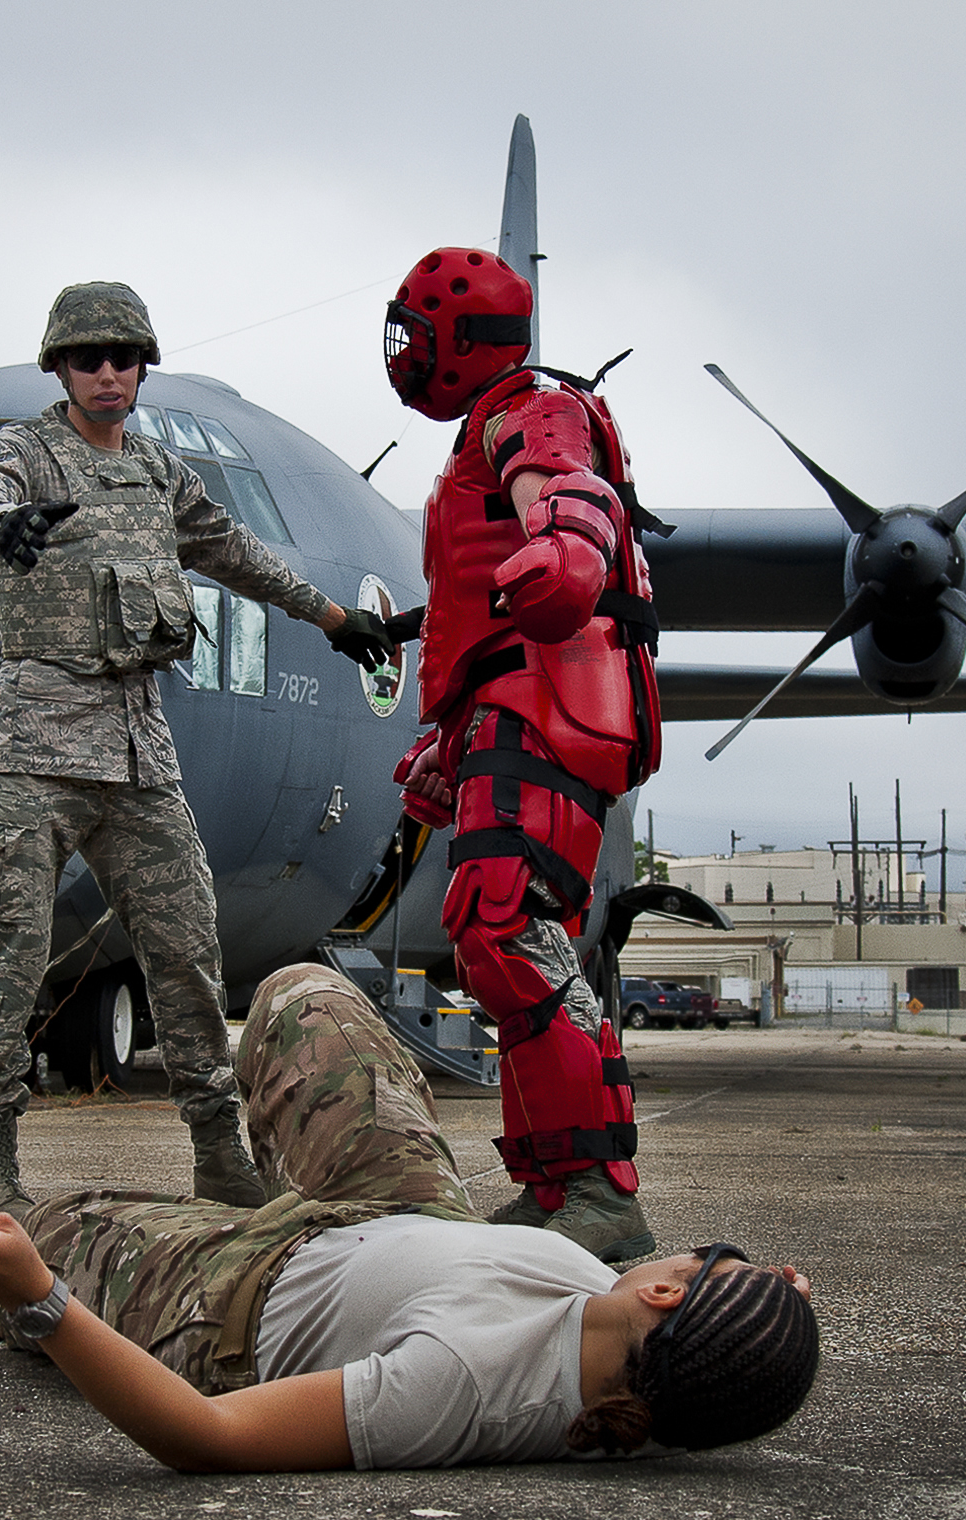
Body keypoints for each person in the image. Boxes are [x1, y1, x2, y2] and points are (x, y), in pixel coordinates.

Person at [0, 963, 818, 1471]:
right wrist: (772, 1322)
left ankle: (21, 1284)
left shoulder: (458, 1384)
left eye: (718, 1260)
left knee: (12, 1240)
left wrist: (36, 1298)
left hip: (244, 1295)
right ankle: (251, 1180)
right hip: (404, 1212)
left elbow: (212, 1437)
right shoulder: (651, 1358)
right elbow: (722, 1363)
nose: (711, 1253)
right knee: (307, 996)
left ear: (662, 1292)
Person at [0, 282, 393, 1215]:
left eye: (123, 357)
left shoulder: (158, 475)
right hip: (36, 744)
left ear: (143, 365)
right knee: (13, 952)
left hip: (140, 749)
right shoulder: (23, 453)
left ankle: (217, 1151)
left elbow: (236, 551)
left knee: (187, 950)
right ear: (59, 368)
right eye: (86, 359)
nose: (106, 374)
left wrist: (334, 617)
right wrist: (1, 529)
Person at [333, 248, 668, 1262]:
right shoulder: (483, 439)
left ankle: (596, 1187)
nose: (407, 353)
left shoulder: (527, 409)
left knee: (508, 924)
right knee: (500, 935)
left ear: (465, 338)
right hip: (507, 700)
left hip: (545, 694)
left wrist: (567, 547)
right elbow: (479, 604)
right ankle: (558, 1177)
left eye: (420, 332)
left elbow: (569, 494)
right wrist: (444, 731)